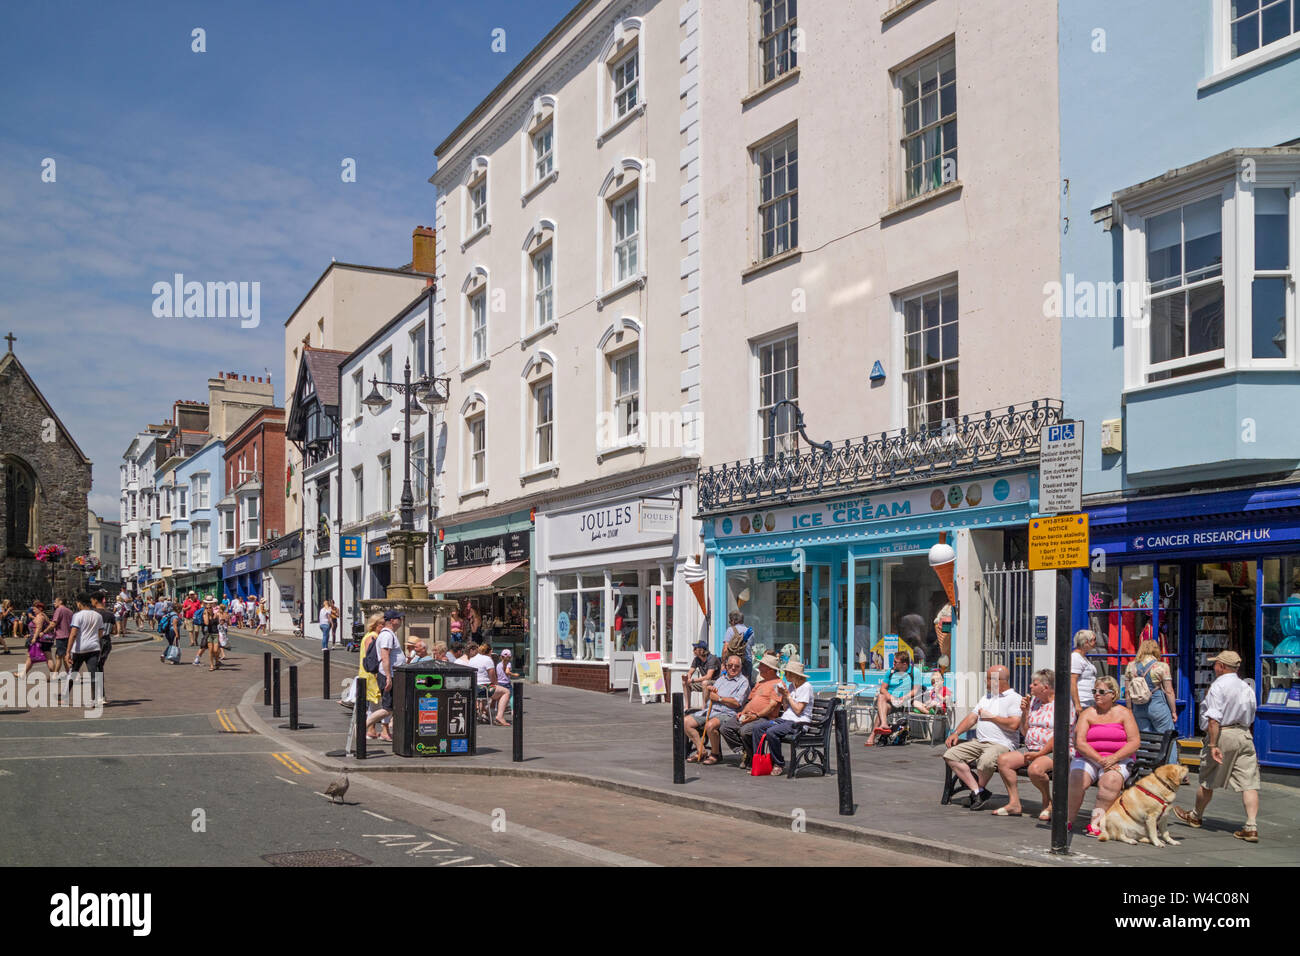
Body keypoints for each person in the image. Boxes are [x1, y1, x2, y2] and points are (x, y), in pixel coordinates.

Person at [1173, 650, 1261, 843]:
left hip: (1223, 734)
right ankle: (1251, 826)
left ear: (1222, 666)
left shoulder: (1218, 686)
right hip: (1244, 734)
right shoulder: (1246, 686)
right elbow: (1252, 713)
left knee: (1208, 778)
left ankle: (1195, 815)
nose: (1214, 667)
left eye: (1216, 664)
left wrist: (1213, 744)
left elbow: (1214, 719)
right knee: (1249, 782)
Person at [993, 668, 1074, 818]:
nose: (1030, 686)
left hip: (1055, 750)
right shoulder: (1035, 701)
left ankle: (1047, 800)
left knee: (1035, 770)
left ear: (1046, 687)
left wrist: (1040, 754)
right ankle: (1014, 803)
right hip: (1032, 748)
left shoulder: (1063, 703)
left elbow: (1060, 735)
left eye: (1034, 684)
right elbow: (1025, 731)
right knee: (1003, 761)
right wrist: (1025, 712)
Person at [1067, 675, 1141, 836]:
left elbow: (1134, 742)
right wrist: (1101, 760)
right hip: (1089, 758)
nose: (1096, 694)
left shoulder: (1124, 713)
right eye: (1094, 691)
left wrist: (1114, 758)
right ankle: (1068, 819)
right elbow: (1080, 742)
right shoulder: (1087, 713)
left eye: (1101, 691)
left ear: (1113, 694)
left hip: (1118, 759)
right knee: (1077, 778)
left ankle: (1096, 822)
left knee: (1111, 780)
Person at [941, 665, 1023, 810]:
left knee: (985, 762)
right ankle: (978, 791)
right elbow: (972, 718)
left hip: (1002, 744)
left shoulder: (1014, 699)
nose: (986, 682)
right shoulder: (987, 697)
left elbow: (1014, 725)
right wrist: (956, 733)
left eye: (988, 679)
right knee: (951, 755)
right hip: (980, 742)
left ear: (998, 681)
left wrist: (992, 718)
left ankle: (978, 791)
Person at [742, 657, 814, 775]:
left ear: (794, 674)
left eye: (787, 673)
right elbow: (786, 709)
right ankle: (758, 762)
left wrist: (788, 696)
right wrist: (784, 696)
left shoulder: (806, 687)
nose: (784, 675)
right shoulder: (792, 686)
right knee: (757, 728)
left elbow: (798, 710)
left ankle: (778, 763)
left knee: (772, 732)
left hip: (798, 723)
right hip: (785, 719)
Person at [719, 652, 785, 768]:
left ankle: (752, 757)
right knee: (726, 728)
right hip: (750, 715)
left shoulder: (778, 684)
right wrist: (743, 712)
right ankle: (747, 752)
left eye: (761, 666)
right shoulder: (760, 683)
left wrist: (756, 715)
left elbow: (772, 706)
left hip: (764, 718)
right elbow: (751, 701)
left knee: (745, 731)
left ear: (769, 669)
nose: (758, 668)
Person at [684, 654, 749, 765]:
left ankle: (715, 754)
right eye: (730, 665)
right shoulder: (721, 679)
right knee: (686, 722)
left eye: (736, 666)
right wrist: (710, 690)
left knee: (710, 725)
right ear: (726, 666)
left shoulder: (743, 682)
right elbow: (712, 695)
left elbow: (737, 703)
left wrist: (719, 698)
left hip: (728, 713)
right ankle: (701, 751)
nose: (733, 668)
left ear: (740, 667)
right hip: (712, 710)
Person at [1124, 639, 1177, 760]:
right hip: (1157, 705)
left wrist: (1129, 710)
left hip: (1138, 706)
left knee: (1142, 739)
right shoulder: (1161, 666)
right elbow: (1169, 691)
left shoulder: (1131, 666)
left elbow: (1127, 692)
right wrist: (1173, 711)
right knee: (1167, 738)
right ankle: (1172, 768)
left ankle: (1142, 769)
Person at [866, 648, 921, 745]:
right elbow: (882, 688)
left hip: (905, 702)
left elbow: (916, 690)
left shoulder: (914, 671)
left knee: (881, 708)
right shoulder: (890, 672)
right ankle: (884, 724)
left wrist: (904, 697)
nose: (893, 664)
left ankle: (873, 735)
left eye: (896, 662)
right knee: (882, 698)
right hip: (891, 701)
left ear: (904, 664)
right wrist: (891, 697)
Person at [371, 610, 407, 740]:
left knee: (390, 707)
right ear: (392, 620)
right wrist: (388, 677)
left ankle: (383, 731)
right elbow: (385, 657)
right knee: (387, 708)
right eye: (399, 618)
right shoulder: (387, 635)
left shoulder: (389, 634)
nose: (401, 621)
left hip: (391, 674)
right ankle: (364, 725)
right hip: (388, 675)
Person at [66, 593, 103, 703]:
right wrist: (94, 639)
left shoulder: (78, 615)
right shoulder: (98, 615)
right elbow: (100, 632)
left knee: (73, 672)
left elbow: (73, 634)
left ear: (79, 603)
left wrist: (68, 652)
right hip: (94, 648)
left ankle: (65, 697)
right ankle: (94, 699)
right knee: (93, 673)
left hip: (79, 649)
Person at [357, 612, 385, 740]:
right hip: (371, 674)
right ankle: (368, 728)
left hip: (367, 673)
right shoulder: (373, 636)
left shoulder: (370, 635)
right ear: (375, 625)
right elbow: (371, 657)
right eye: (381, 624)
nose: (383, 626)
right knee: (377, 701)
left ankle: (371, 730)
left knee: (374, 702)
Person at [469, 641, 510, 725]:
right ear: (490, 651)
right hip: (484, 688)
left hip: (473, 687)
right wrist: (497, 684)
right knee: (505, 692)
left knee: (497, 691)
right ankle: (499, 717)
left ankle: (486, 713)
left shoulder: (472, 659)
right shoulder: (488, 660)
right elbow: (493, 678)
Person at [92, 591, 115, 704]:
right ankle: (101, 695)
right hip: (107, 642)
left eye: (92, 600)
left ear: (95, 600)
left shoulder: (93, 613)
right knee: (99, 667)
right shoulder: (110, 614)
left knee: (95, 668)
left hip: (96, 641)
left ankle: (100, 696)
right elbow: (114, 630)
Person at [681, 640, 721, 705]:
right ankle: (687, 707)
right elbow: (690, 672)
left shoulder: (712, 659)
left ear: (701, 650)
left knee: (705, 683)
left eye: (695, 649)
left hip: (715, 682)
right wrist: (687, 677)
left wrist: (693, 680)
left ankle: (704, 707)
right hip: (704, 682)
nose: (693, 651)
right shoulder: (696, 659)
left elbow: (709, 676)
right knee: (685, 683)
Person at [22, 601, 54, 678]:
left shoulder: (40, 616)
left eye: (35, 609)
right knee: (33, 657)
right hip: (45, 640)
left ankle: (54, 675)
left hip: (40, 640)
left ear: (40, 609)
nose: (33, 610)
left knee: (33, 657)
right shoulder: (43, 615)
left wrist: (34, 638)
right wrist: (30, 634)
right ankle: (22, 674)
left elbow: (39, 628)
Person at [1071, 629, 1099, 713]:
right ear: (1086, 642)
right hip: (1082, 700)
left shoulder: (1083, 657)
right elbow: (1072, 681)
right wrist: (1077, 704)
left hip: (1088, 700)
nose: (1095, 643)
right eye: (1094, 640)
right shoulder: (1076, 658)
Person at [722, 611, 755, 681]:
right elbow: (750, 648)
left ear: (733, 621)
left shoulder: (730, 630)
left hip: (734, 664)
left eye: (730, 622)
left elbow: (725, 649)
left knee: (732, 685)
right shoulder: (750, 631)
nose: (730, 623)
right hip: (747, 662)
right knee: (746, 685)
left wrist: (723, 663)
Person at [50, 596, 73, 678]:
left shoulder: (59, 610)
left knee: (60, 657)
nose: (54, 603)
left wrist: (45, 631)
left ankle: (56, 675)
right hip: (68, 636)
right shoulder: (70, 611)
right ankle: (68, 674)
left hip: (61, 636)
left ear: (60, 602)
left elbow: (54, 623)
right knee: (62, 656)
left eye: (55, 601)